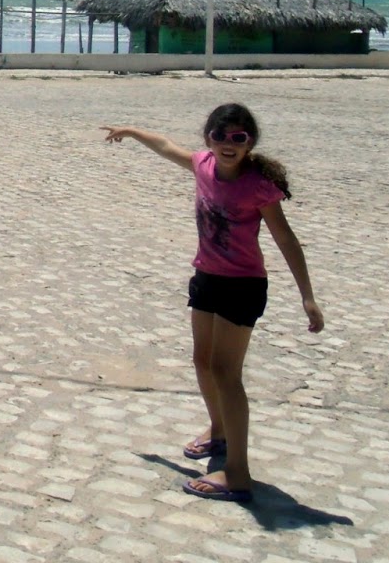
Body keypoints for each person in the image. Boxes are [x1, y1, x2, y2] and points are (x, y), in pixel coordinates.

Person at [102, 103, 323, 503]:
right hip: (206, 277)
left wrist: (307, 296)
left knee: (227, 373)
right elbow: (166, 146)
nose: (228, 145)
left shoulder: (258, 185)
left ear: (249, 142)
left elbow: (285, 239)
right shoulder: (201, 164)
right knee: (202, 361)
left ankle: (238, 473)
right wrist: (131, 130)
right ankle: (218, 431)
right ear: (209, 139)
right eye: (221, 136)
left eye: (238, 138)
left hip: (243, 285)